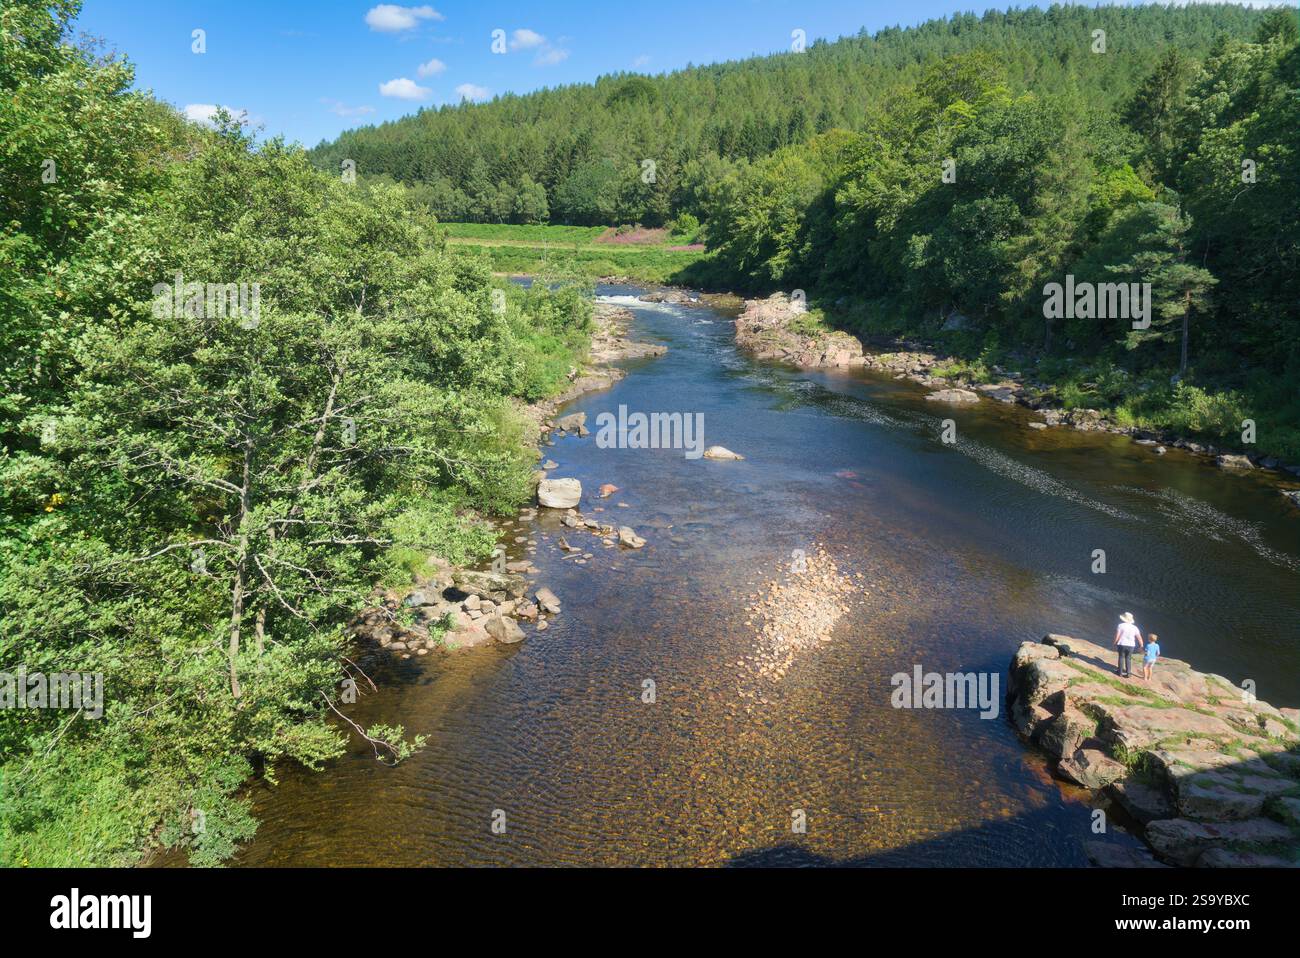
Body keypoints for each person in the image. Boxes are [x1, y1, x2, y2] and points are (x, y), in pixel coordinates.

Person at [1113, 612, 1143, 678]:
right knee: (1128, 658)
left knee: (1121, 657)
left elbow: (1117, 636)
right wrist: (1141, 645)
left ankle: (1120, 672)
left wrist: (1114, 643)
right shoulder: (1135, 627)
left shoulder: (1120, 625)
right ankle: (1128, 673)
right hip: (1131, 645)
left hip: (1122, 644)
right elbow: (1139, 637)